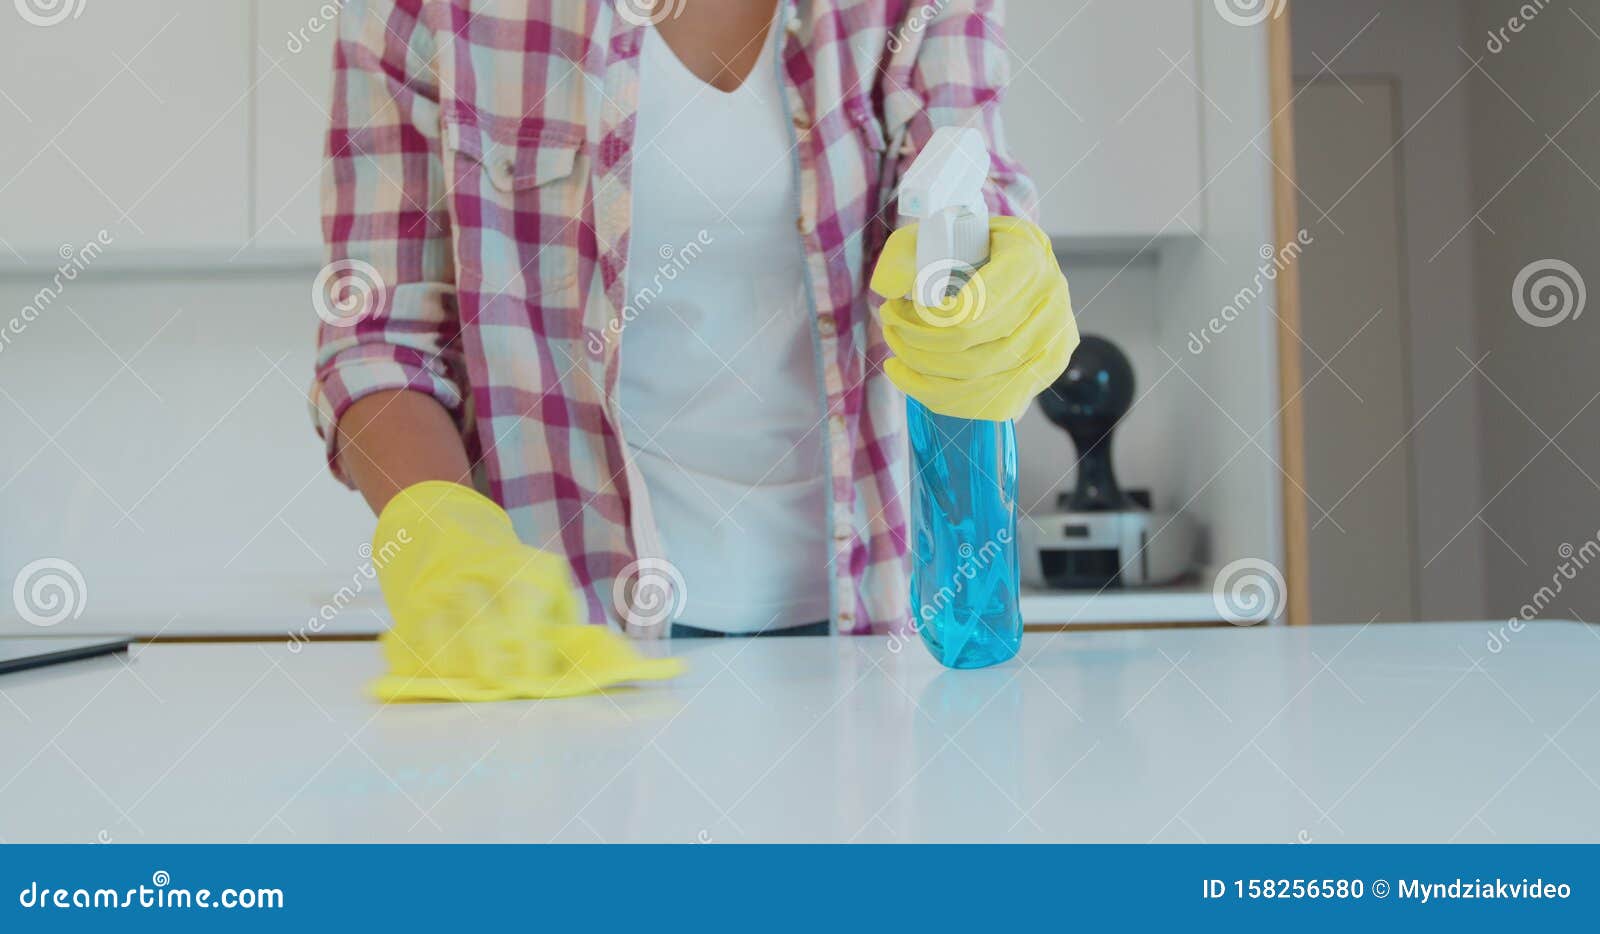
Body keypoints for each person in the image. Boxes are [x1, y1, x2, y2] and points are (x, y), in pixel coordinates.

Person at [310, 0, 1075, 684]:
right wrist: (442, 534)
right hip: (572, 649)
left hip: (870, 639)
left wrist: (998, 277)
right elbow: (380, 336)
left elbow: (972, 185)